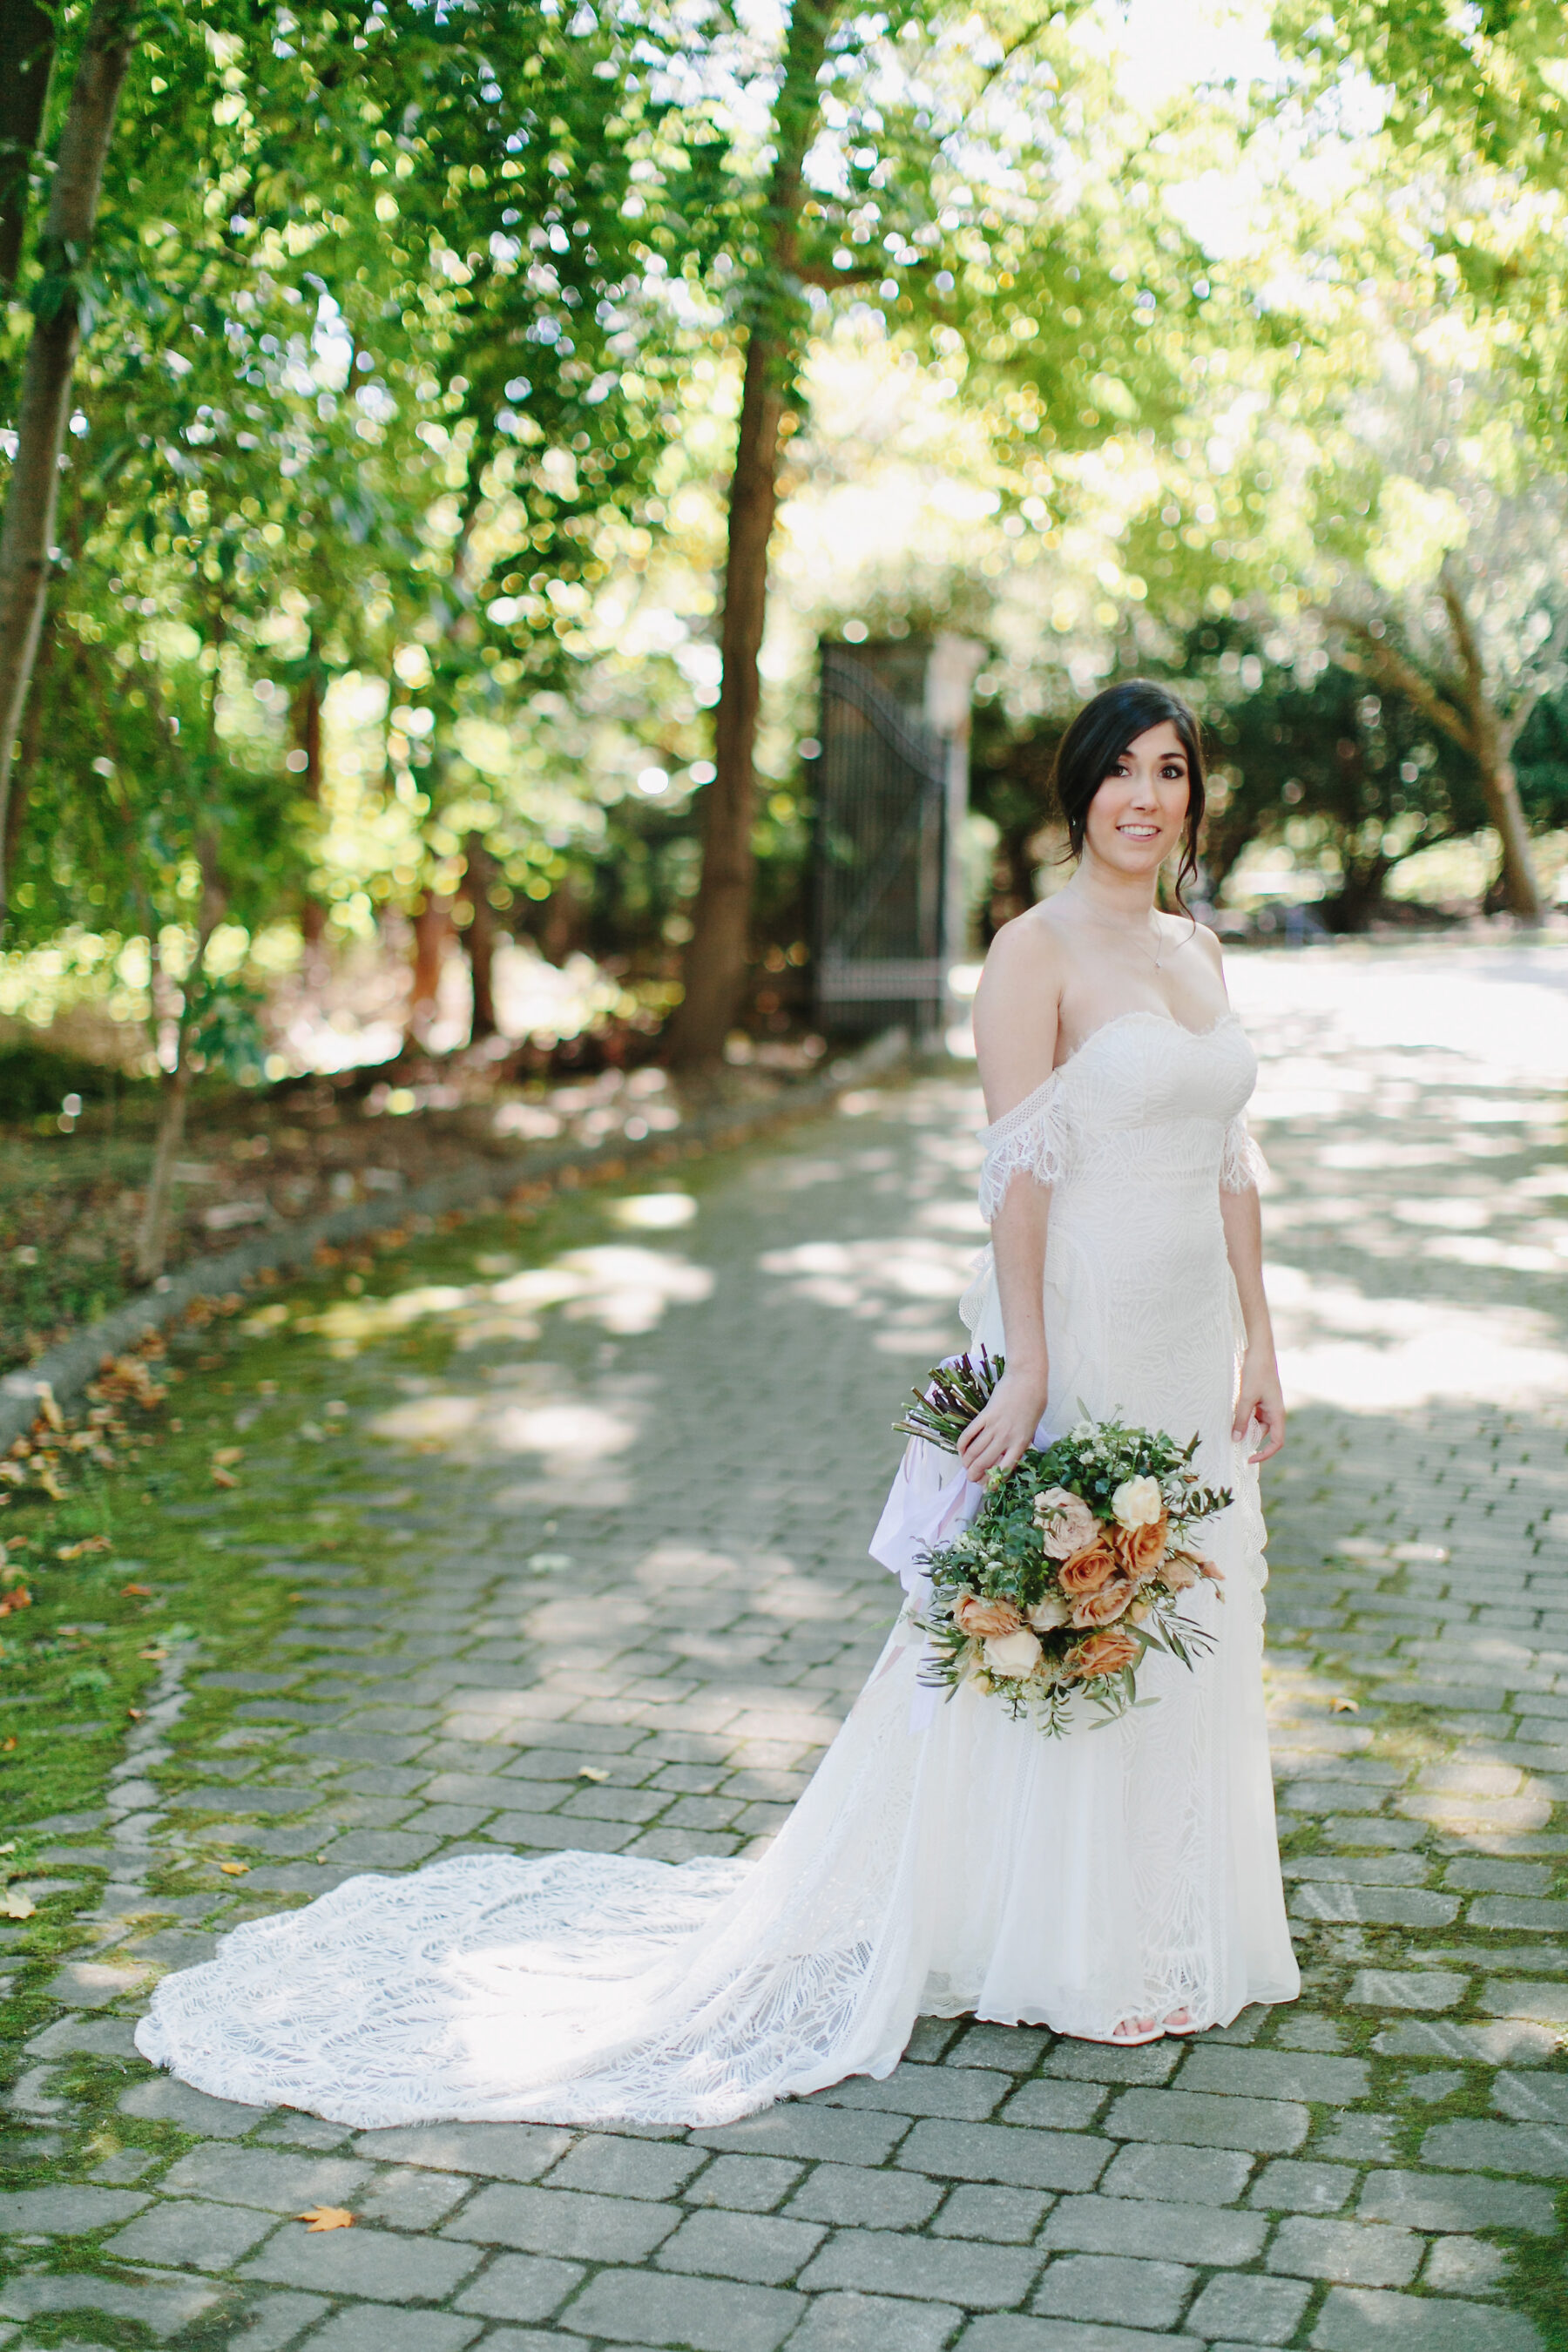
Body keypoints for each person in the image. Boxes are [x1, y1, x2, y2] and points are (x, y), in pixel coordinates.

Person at [136, 678, 1298, 2128]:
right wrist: (1032, 1367)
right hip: (1091, 1325)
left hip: (1197, 1340)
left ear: (1196, 794)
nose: (1146, 796)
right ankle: (1064, 1942)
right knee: (1077, 1619)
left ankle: (1177, 1918)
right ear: (1077, 795)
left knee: (1184, 1607)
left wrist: (1262, 1339)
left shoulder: (1196, 953)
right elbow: (1018, 1177)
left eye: (1171, 770)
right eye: (1118, 770)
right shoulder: (1031, 951)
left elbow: (1232, 1159)